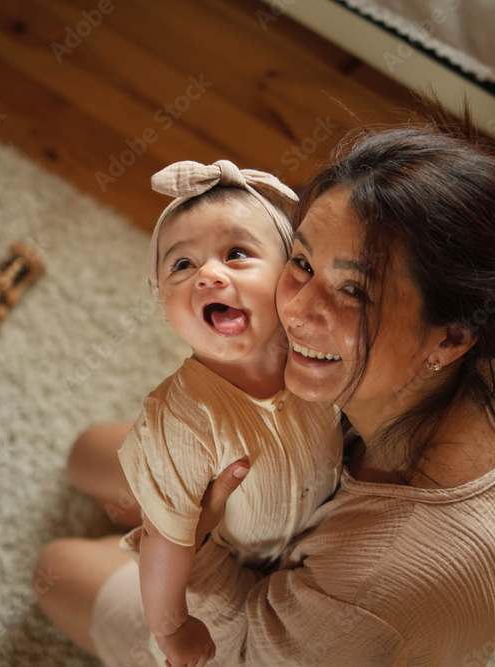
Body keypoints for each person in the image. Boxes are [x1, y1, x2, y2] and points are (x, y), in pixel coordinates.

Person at [34, 101, 495, 666]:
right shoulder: (455, 349)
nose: (297, 311)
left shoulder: (376, 586)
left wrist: (198, 555)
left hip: (282, 631)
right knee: (88, 454)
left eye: (353, 291)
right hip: (268, 514)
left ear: (450, 338)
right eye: (301, 263)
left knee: (57, 571)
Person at [113, 159, 344, 666]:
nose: (208, 275)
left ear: (289, 274)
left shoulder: (316, 353)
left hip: (310, 543)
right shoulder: (182, 419)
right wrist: (172, 626)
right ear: (161, 300)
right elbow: (167, 542)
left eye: (236, 254)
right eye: (182, 265)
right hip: (222, 556)